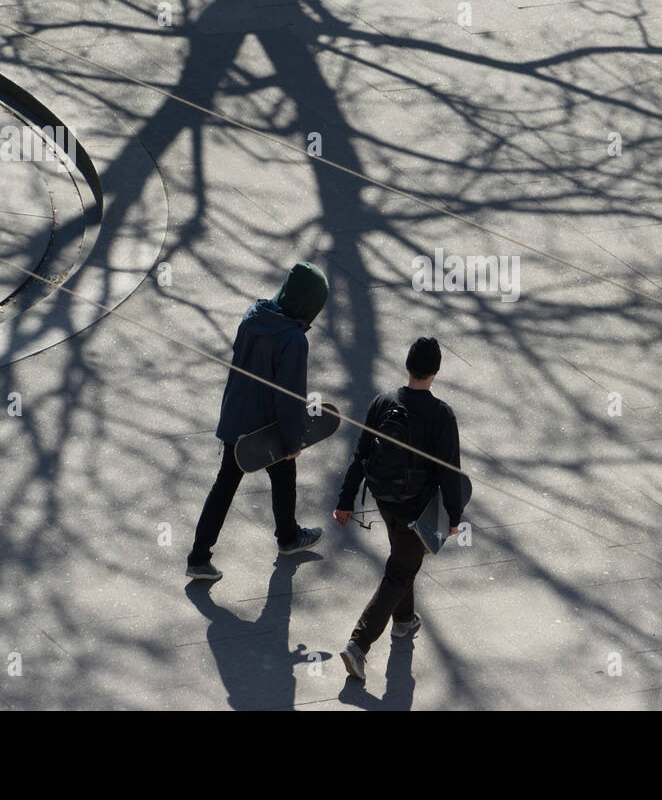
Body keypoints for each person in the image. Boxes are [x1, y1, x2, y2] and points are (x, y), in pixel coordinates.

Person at [332, 337, 467, 682]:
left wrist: (346, 500)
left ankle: (404, 621)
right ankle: (358, 644)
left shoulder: (382, 402)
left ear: (408, 366)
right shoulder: (441, 415)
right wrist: (453, 517)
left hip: (384, 499)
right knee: (400, 572)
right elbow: (450, 472)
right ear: (435, 371)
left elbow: (360, 455)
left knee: (403, 561)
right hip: (416, 509)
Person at [186, 262, 329, 582]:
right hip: (265, 428)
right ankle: (288, 538)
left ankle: (199, 556)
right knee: (283, 473)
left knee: (226, 485)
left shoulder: (254, 315)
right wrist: (293, 442)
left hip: (236, 418)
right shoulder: (293, 339)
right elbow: (289, 396)